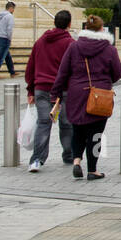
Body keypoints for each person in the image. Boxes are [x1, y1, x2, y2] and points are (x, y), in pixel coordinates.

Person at [51, 14, 121, 181]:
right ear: (101, 29)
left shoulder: (74, 47)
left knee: (78, 130)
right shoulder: (109, 49)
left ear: (85, 29)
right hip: (100, 95)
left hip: (76, 94)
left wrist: (55, 94)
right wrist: (105, 80)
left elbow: (62, 73)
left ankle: (76, 161)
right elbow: (118, 72)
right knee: (96, 134)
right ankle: (93, 169)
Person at [24, 9, 75, 171]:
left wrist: (31, 90)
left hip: (42, 88)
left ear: (54, 23)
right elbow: (73, 69)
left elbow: (30, 68)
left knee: (43, 123)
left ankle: (37, 160)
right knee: (66, 124)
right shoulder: (70, 43)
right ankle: (69, 155)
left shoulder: (40, 42)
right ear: (69, 24)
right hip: (64, 90)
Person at [0, 1, 17, 78]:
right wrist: (9, 38)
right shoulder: (9, 16)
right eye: (13, 9)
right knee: (1, 57)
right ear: (11, 8)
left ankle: (12, 72)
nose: (13, 11)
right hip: (5, 38)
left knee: (7, 56)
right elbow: (9, 29)